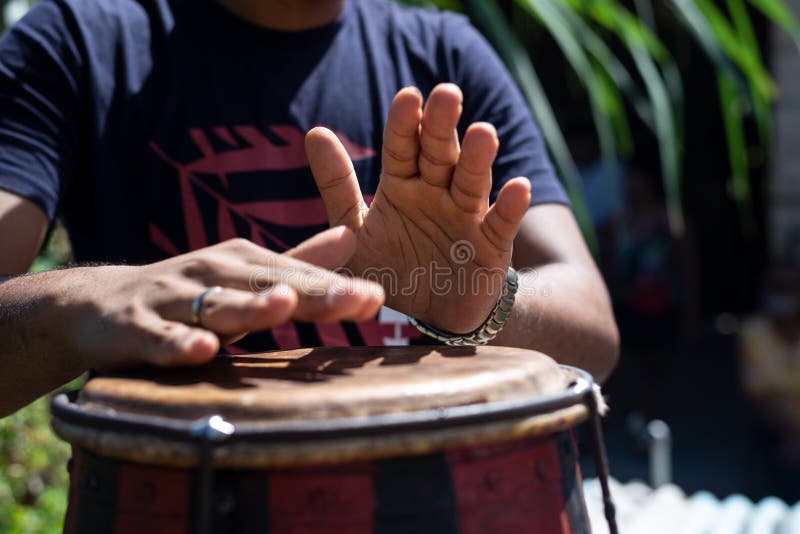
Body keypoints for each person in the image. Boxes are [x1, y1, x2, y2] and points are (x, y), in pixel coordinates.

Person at [0, 0, 619, 417]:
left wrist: (474, 304)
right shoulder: (77, 42)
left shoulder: (445, 54)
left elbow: (593, 329)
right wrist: (78, 305)